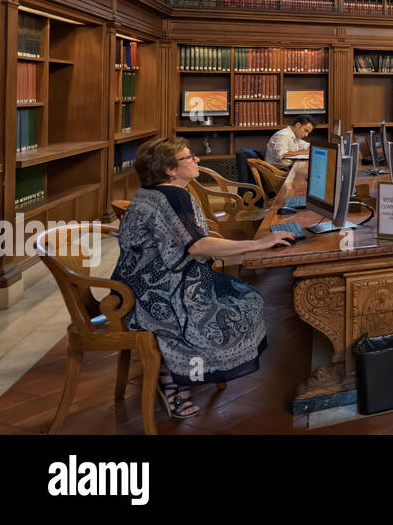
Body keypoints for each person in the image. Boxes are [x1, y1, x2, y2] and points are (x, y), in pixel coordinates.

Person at [113, 137, 291, 419]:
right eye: (189, 157)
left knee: (239, 293)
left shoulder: (151, 192)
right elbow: (198, 245)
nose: (197, 161)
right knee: (245, 301)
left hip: (134, 287)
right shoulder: (172, 196)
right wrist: (259, 244)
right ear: (171, 169)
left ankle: (184, 369)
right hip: (159, 294)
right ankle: (175, 377)